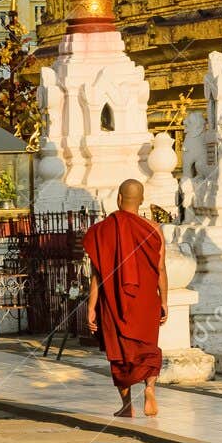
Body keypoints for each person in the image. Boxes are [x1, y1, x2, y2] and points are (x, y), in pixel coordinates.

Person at [84, 179, 168, 418]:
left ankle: (126, 405)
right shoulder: (154, 229)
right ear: (141, 200)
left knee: (119, 352)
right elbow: (160, 269)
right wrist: (164, 301)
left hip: (113, 302)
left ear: (119, 198)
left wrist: (91, 306)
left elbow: (97, 274)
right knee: (147, 349)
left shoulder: (101, 231)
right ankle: (150, 389)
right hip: (146, 301)